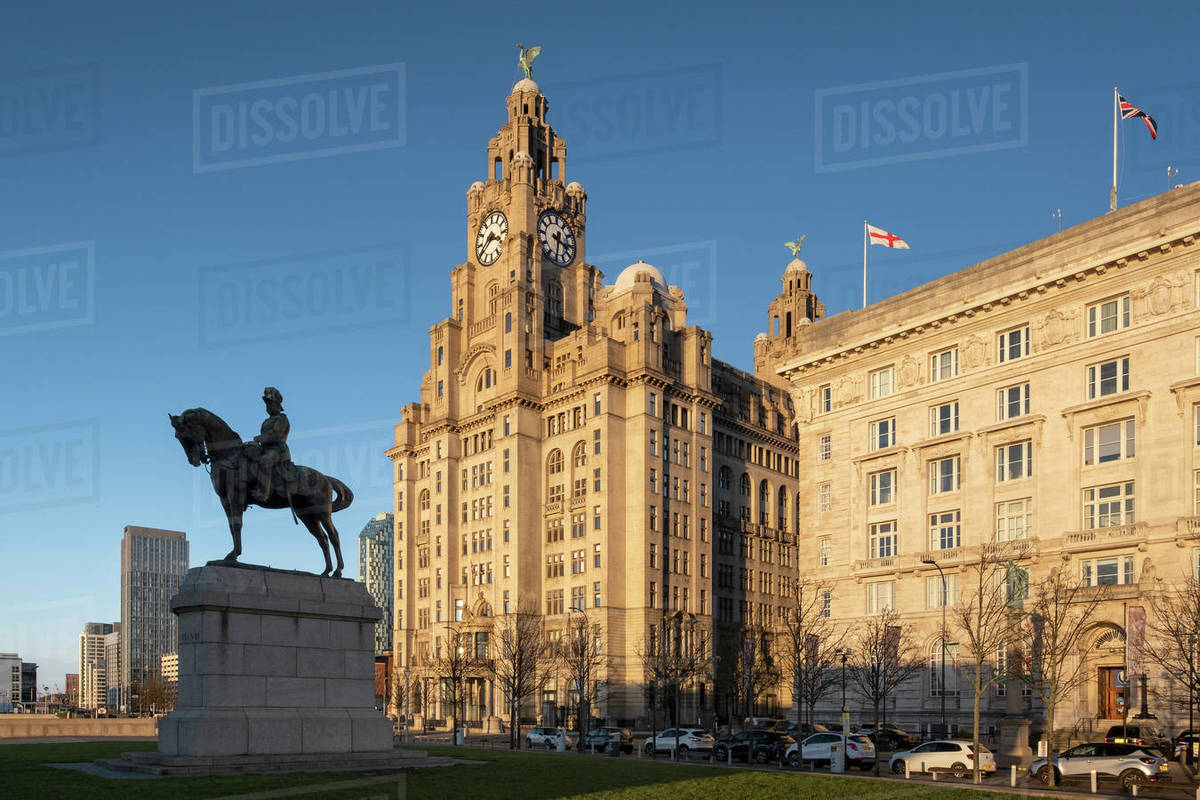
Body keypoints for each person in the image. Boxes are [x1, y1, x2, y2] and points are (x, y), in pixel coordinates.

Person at [250, 386, 291, 503]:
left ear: (277, 405)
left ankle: (263, 493)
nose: (268, 406)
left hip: (277, 450)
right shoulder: (265, 422)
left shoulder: (282, 419)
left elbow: (276, 435)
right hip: (265, 449)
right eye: (267, 404)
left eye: (270, 403)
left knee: (264, 461)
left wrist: (261, 438)